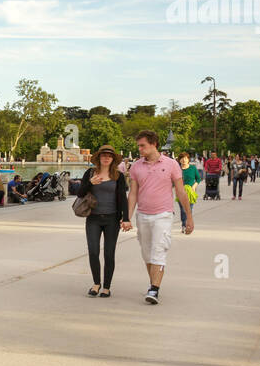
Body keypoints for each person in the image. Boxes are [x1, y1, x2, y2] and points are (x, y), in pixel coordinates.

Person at [124, 130, 193, 305]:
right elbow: (132, 194)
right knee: (147, 253)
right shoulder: (137, 166)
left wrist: (189, 218)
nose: (139, 149)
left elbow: (181, 191)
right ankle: (153, 284)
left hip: (163, 214)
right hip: (143, 215)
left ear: (154, 144)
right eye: (138, 146)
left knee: (159, 250)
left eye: (142, 146)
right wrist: (127, 217)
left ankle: (154, 289)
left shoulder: (171, 164)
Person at [77, 146, 128, 298]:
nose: (106, 158)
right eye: (103, 155)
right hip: (93, 218)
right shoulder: (90, 173)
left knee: (109, 253)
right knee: (93, 251)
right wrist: (90, 183)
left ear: (113, 159)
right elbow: (79, 194)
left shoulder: (118, 176)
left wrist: (125, 218)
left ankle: (106, 286)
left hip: (112, 218)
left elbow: (122, 198)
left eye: (109, 156)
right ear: (99, 158)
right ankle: (96, 283)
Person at [178, 152, 201, 232]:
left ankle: (188, 224)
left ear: (188, 160)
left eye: (186, 158)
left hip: (190, 191)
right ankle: (184, 225)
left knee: (189, 209)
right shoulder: (177, 169)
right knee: (182, 210)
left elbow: (198, 179)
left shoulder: (193, 168)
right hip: (180, 192)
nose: (184, 160)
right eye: (182, 158)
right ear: (179, 160)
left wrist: (194, 186)